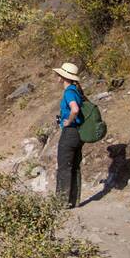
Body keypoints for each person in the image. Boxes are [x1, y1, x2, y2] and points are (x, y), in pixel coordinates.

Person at [54, 61, 85, 208]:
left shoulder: (69, 92)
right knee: (74, 165)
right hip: (79, 133)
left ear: (62, 77)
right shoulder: (76, 90)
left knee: (64, 166)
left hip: (70, 131)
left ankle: (61, 202)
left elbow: (75, 109)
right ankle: (74, 200)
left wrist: (68, 121)